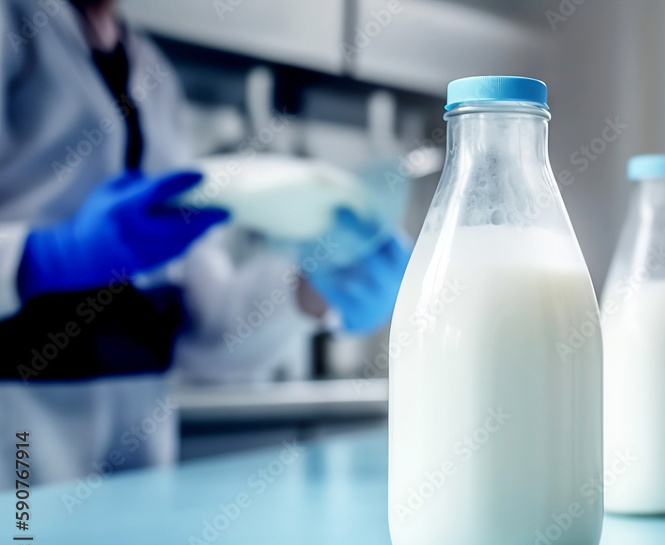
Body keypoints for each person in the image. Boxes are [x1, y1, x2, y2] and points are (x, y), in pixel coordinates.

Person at [0, 0, 409, 488]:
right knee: (20, 540)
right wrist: (44, 258)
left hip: (141, 462)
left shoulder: (155, 78)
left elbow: (211, 339)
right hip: (16, 446)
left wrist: (315, 287)